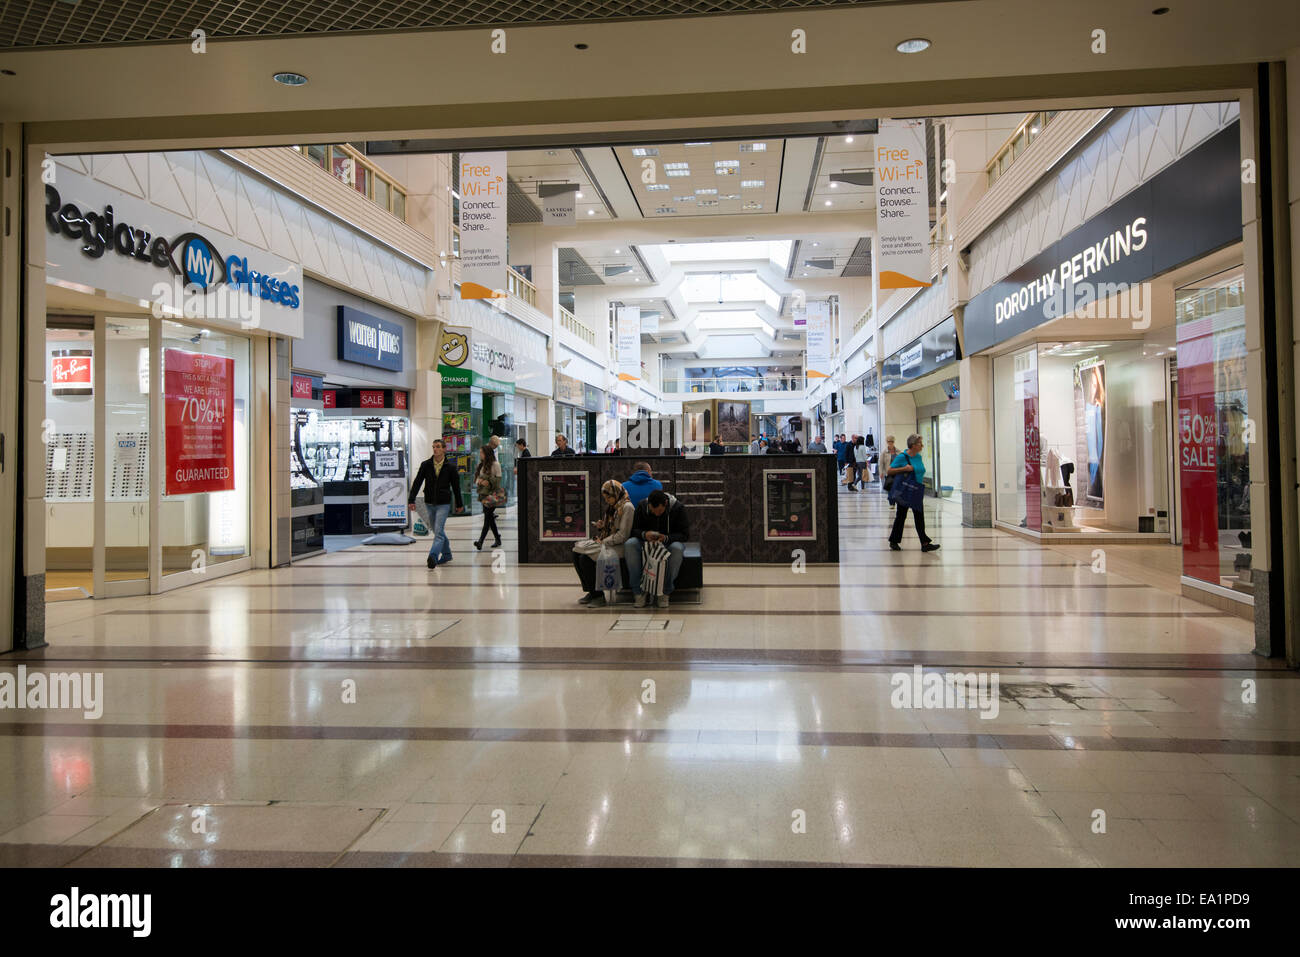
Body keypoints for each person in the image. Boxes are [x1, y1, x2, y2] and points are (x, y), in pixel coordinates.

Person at [572, 480, 635, 607]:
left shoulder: (627, 508)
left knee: (585, 559)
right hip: (609, 543)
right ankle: (591, 590)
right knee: (575, 553)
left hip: (620, 546)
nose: (607, 500)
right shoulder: (614, 507)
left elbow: (623, 535)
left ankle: (598, 596)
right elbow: (611, 529)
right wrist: (602, 527)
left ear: (616, 494)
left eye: (609, 497)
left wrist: (603, 542)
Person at [625, 489, 691, 609]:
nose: (656, 514)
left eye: (659, 511)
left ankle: (665, 591)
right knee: (630, 544)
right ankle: (639, 592)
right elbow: (634, 531)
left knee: (677, 548)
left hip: (668, 542)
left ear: (665, 504)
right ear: (648, 505)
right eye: (652, 511)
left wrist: (666, 538)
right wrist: (645, 534)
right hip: (646, 542)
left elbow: (685, 535)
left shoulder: (678, 508)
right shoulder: (641, 506)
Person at [407, 438, 465, 568]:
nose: (435, 449)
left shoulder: (450, 467)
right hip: (429, 503)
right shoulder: (426, 465)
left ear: (444, 449)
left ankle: (433, 556)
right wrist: (411, 499)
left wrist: (460, 504)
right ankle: (447, 554)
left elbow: (456, 487)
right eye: (434, 447)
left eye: (438, 447)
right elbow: (417, 482)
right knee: (438, 531)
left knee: (438, 531)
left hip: (443, 504)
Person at [887, 433, 940, 552]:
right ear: (913, 445)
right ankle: (894, 541)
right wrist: (904, 469)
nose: (922, 445)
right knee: (901, 516)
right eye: (920, 443)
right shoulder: (902, 457)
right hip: (905, 490)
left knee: (919, 516)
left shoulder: (918, 457)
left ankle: (925, 543)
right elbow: (889, 471)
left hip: (916, 490)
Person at [472, 445, 504, 550]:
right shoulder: (482, 465)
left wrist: (488, 481)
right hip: (484, 494)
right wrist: (480, 481)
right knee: (489, 518)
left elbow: (498, 480)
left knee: (487, 518)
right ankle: (497, 538)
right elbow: (477, 479)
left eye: (482, 452)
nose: (480, 454)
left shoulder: (495, 464)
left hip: (493, 495)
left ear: (487, 454)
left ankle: (480, 542)